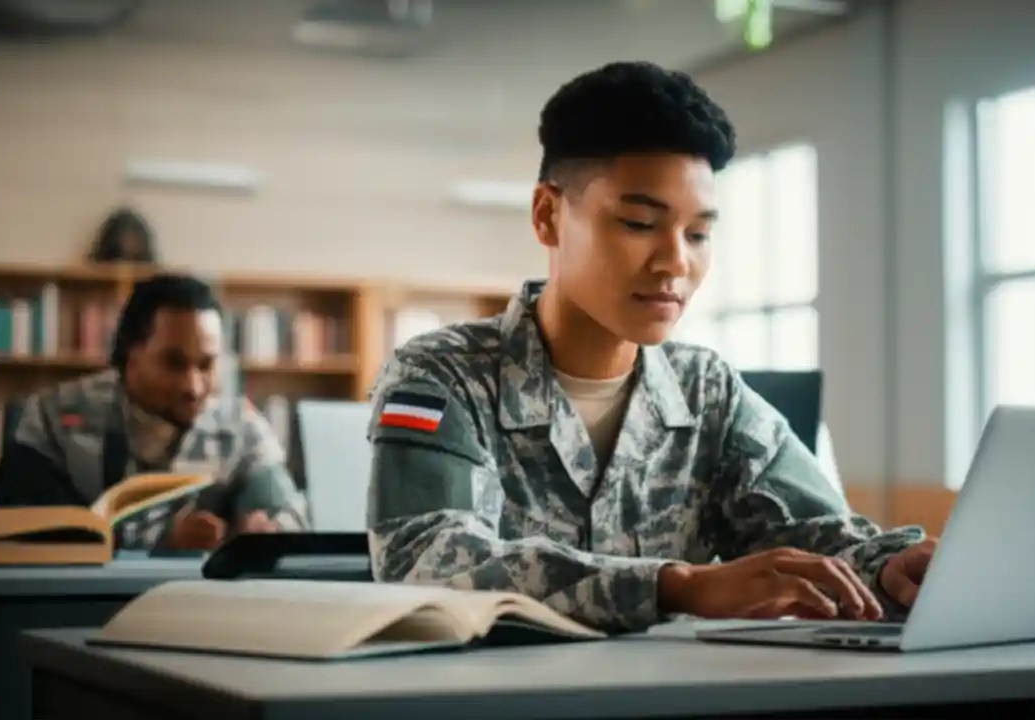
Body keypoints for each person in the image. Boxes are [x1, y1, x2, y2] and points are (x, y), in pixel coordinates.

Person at [366, 61, 937, 634]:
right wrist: (679, 585)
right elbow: (425, 561)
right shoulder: (441, 375)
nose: (675, 263)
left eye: (698, 234)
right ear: (547, 216)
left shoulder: (705, 391)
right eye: (639, 223)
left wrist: (889, 569)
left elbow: (818, 537)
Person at [0, 273, 307, 551]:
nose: (194, 387)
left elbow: (290, 515)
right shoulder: (53, 417)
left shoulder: (242, 426)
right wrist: (161, 542)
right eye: (174, 363)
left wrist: (269, 529)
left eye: (206, 365)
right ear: (130, 356)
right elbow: (23, 529)